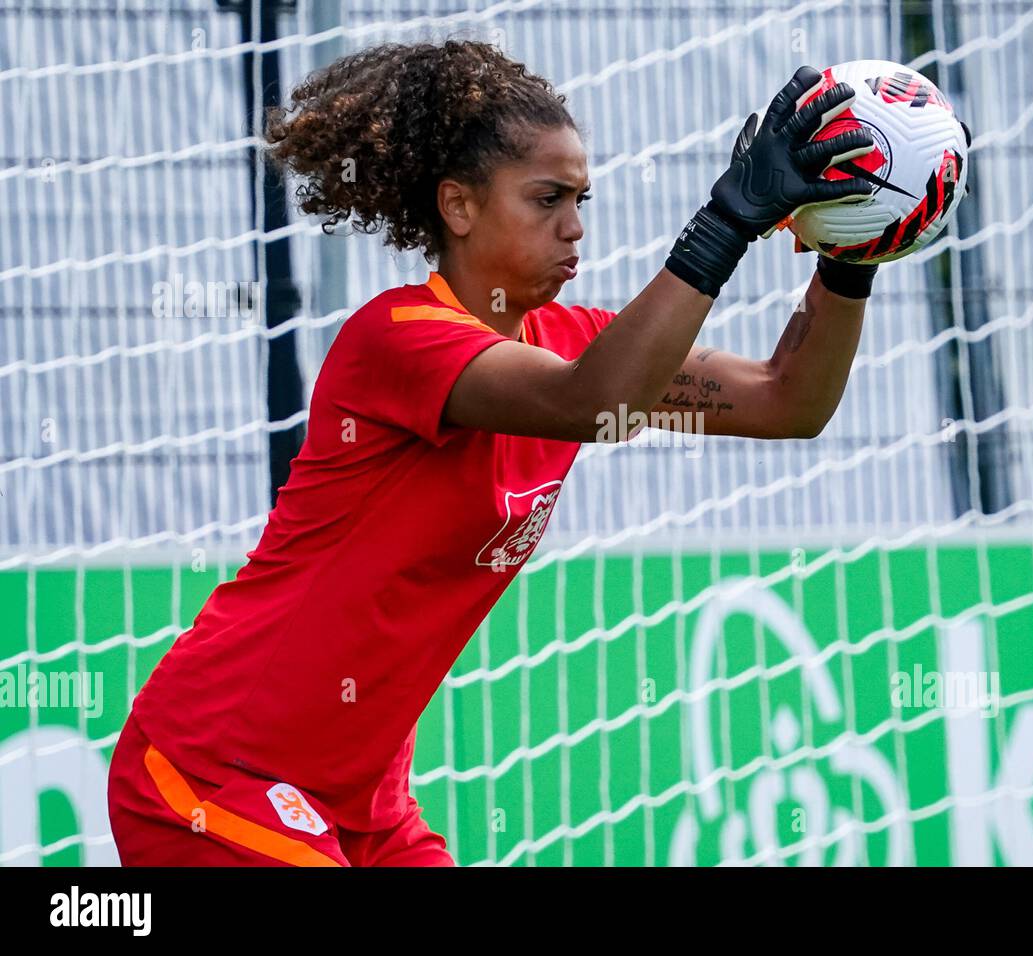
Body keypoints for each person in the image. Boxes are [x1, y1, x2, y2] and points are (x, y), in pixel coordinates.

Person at [107, 39, 880, 866]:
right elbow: (593, 404)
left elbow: (787, 400)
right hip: (211, 769)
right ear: (459, 205)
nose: (576, 227)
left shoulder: (579, 345)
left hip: (361, 804)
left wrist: (851, 249)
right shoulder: (397, 339)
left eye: (582, 199)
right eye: (547, 198)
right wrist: (726, 223)